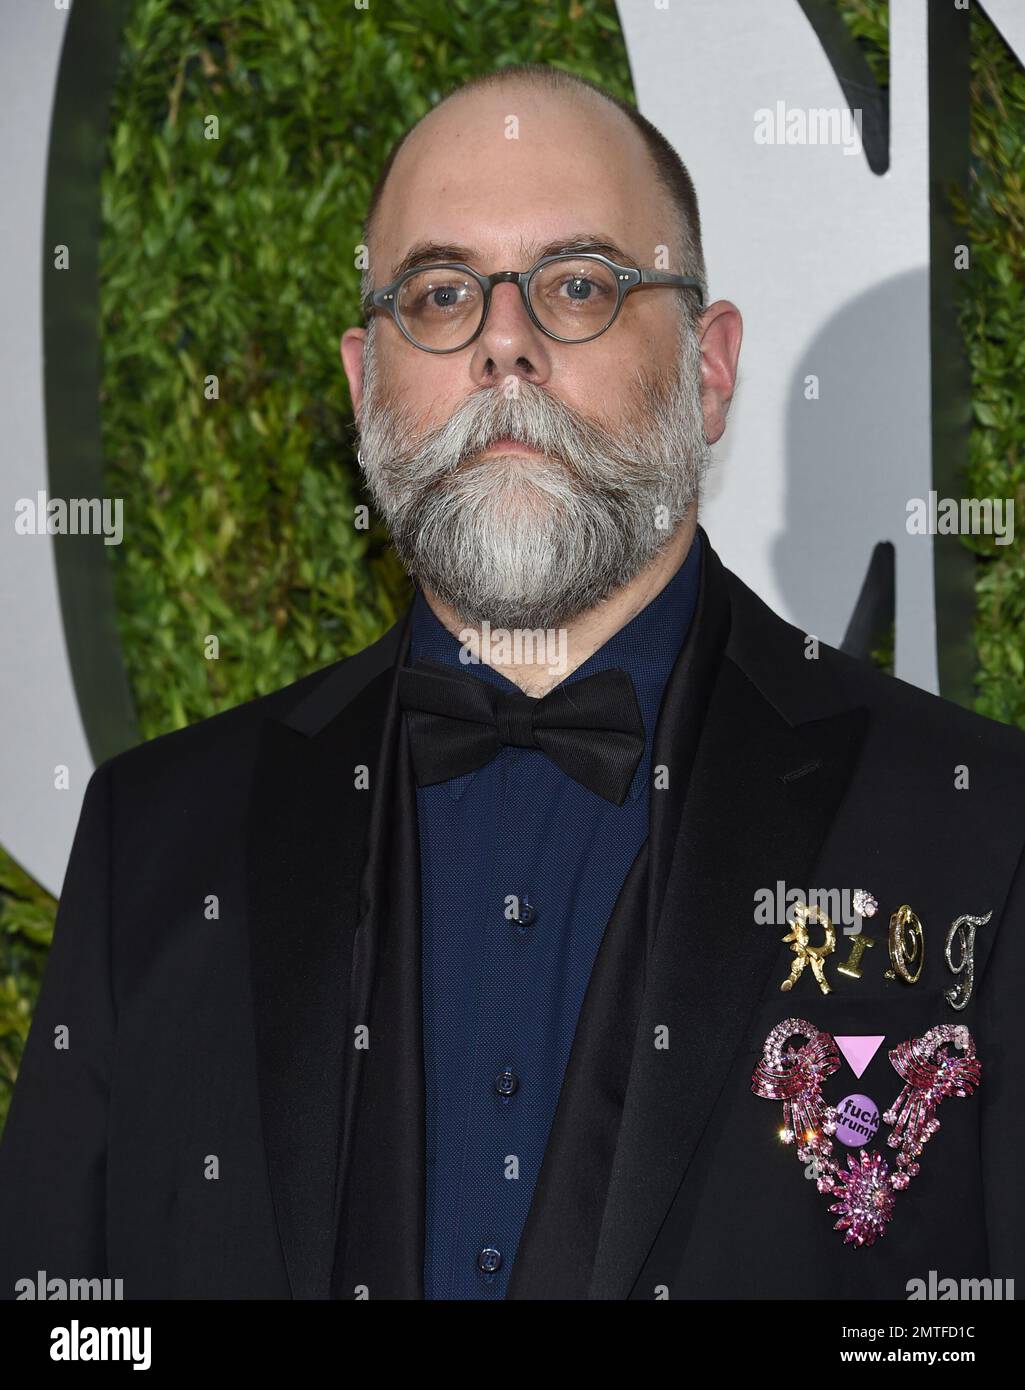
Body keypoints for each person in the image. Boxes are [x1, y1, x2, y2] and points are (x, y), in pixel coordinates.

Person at [1, 63, 1022, 1302]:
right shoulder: (154, 841)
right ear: (364, 381)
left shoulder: (979, 831)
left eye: (577, 285)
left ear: (708, 369)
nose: (503, 342)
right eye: (438, 294)